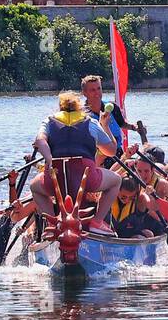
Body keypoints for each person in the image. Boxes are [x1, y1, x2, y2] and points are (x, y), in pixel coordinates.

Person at [30, 91, 121, 235]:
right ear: (79, 107)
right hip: (86, 178)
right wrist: (105, 126)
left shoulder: (48, 121)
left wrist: (49, 160)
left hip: (55, 179)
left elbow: (40, 141)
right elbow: (111, 151)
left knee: (34, 186)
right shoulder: (91, 122)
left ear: (60, 107)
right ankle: (97, 222)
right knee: (116, 180)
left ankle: (52, 223)